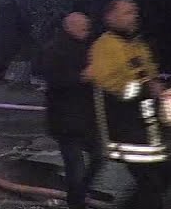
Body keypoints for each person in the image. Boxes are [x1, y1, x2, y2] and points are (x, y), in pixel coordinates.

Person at [87, 0, 171, 209]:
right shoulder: (105, 47)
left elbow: (148, 74)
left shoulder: (136, 44)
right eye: (126, 13)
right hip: (127, 130)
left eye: (134, 12)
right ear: (110, 18)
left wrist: (159, 88)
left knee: (164, 176)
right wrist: (146, 89)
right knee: (151, 186)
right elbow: (115, 88)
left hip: (147, 126)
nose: (133, 16)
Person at [42, 12, 102, 209]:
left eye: (87, 25)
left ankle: (79, 193)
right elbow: (54, 81)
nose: (87, 29)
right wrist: (81, 77)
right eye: (82, 26)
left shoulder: (88, 47)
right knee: (75, 166)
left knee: (100, 155)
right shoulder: (55, 50)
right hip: (65, 121)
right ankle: (76, 203)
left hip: (85, 117)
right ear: (69, 27)